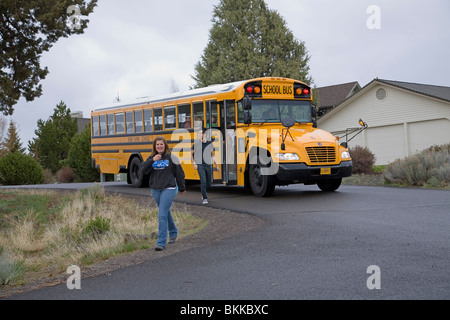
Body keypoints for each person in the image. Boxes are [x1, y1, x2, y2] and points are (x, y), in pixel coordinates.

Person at [141, 136, 186, 251]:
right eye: (157, 145)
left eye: (161, 144)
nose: (159, 146)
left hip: (168, 188)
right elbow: (143, 170)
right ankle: (173, 232)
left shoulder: (171, 157)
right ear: (154, 146)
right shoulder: (152, 157)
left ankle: (161, 242)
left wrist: (182, 187)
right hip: (155, 189)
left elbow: (179, 173)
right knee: (165, 212)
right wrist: (152, 160)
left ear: (165, 145)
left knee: (161, 215)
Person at [191, 128, 217, 204]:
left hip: (208, 165)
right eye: (198, 134)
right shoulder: (196, 144)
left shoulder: (209, 144)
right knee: (203, 181)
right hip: (200, 165)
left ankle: (204, 193)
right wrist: (194, 163)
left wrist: (217, 165)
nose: (199, 135)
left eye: (200, 133)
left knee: (209, 183)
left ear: (204, 134)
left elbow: (213, 155)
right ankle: (204, 198)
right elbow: (191, 154)